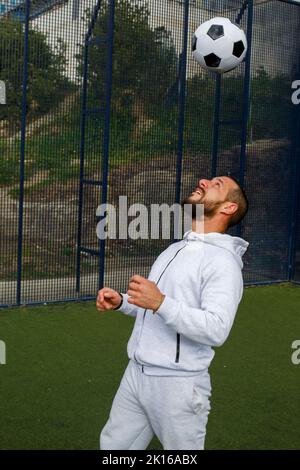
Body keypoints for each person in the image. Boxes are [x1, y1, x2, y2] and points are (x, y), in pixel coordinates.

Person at [96, 175, 249, 450]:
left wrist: (160, 302)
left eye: (216, 184)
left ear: (228, 208)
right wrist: (122, 301)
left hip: (177, 385)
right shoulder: (174, 249)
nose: (203, 181)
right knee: (114, 449)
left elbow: (216, 328)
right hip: (136, 374)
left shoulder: (224, 263)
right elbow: (155, 307)